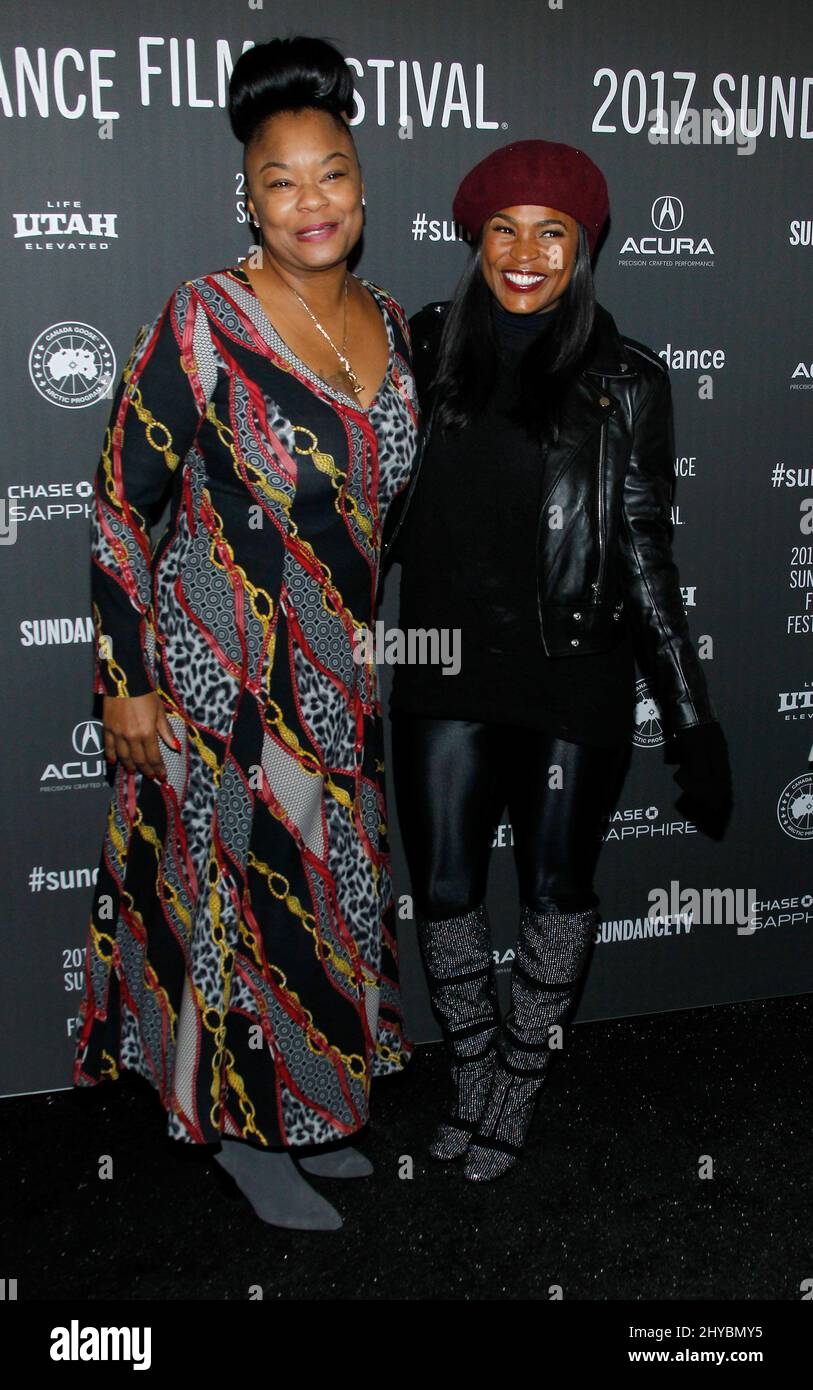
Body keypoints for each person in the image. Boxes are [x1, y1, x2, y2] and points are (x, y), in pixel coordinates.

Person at [72, 36, 419, 1231]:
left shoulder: (392, 323)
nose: (309, 199)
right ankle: (235, 1129)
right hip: (221, 669)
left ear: (363, 188)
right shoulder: (204, 319)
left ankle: (312, 1107)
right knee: (234, 906)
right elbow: (122, 502)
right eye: (282, 179)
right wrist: (123, 682)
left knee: (323, 903)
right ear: (249, 198)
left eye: (332, 172)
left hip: (338, 673)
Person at [382, 139, 733, 1183]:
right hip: (441, 660)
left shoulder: (627, 380)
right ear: (476, 238)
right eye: (506, 228)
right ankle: (472, 1071)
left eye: (553, 233)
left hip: (574, 666)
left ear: (582, 249)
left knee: (553, 884)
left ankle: (516, 1089)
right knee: (444, 888)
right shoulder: (424, 345)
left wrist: (691, 717)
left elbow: (641, 546)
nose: (526, 253)